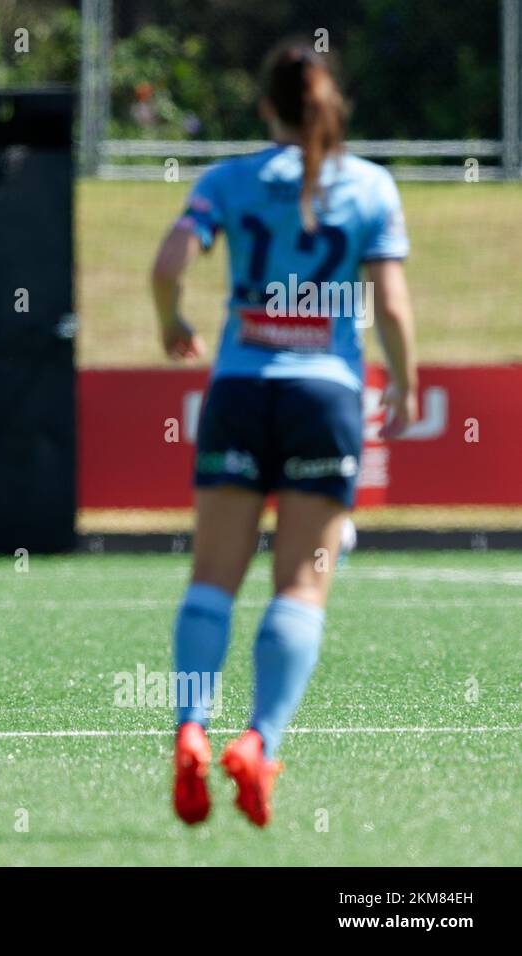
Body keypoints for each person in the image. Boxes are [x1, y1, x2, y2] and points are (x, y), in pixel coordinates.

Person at [149, 41, 418, 826]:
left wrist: (173, 323)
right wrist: (405, 382)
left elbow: (170, 263)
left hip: (238, 393)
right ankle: (259, 742)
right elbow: (393, 310)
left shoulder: (229, 180)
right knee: (301, 585)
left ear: (266, 107)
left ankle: (192, 728)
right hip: (326, 400)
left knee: (211, 582)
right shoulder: (370, 186)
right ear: (332, 106)